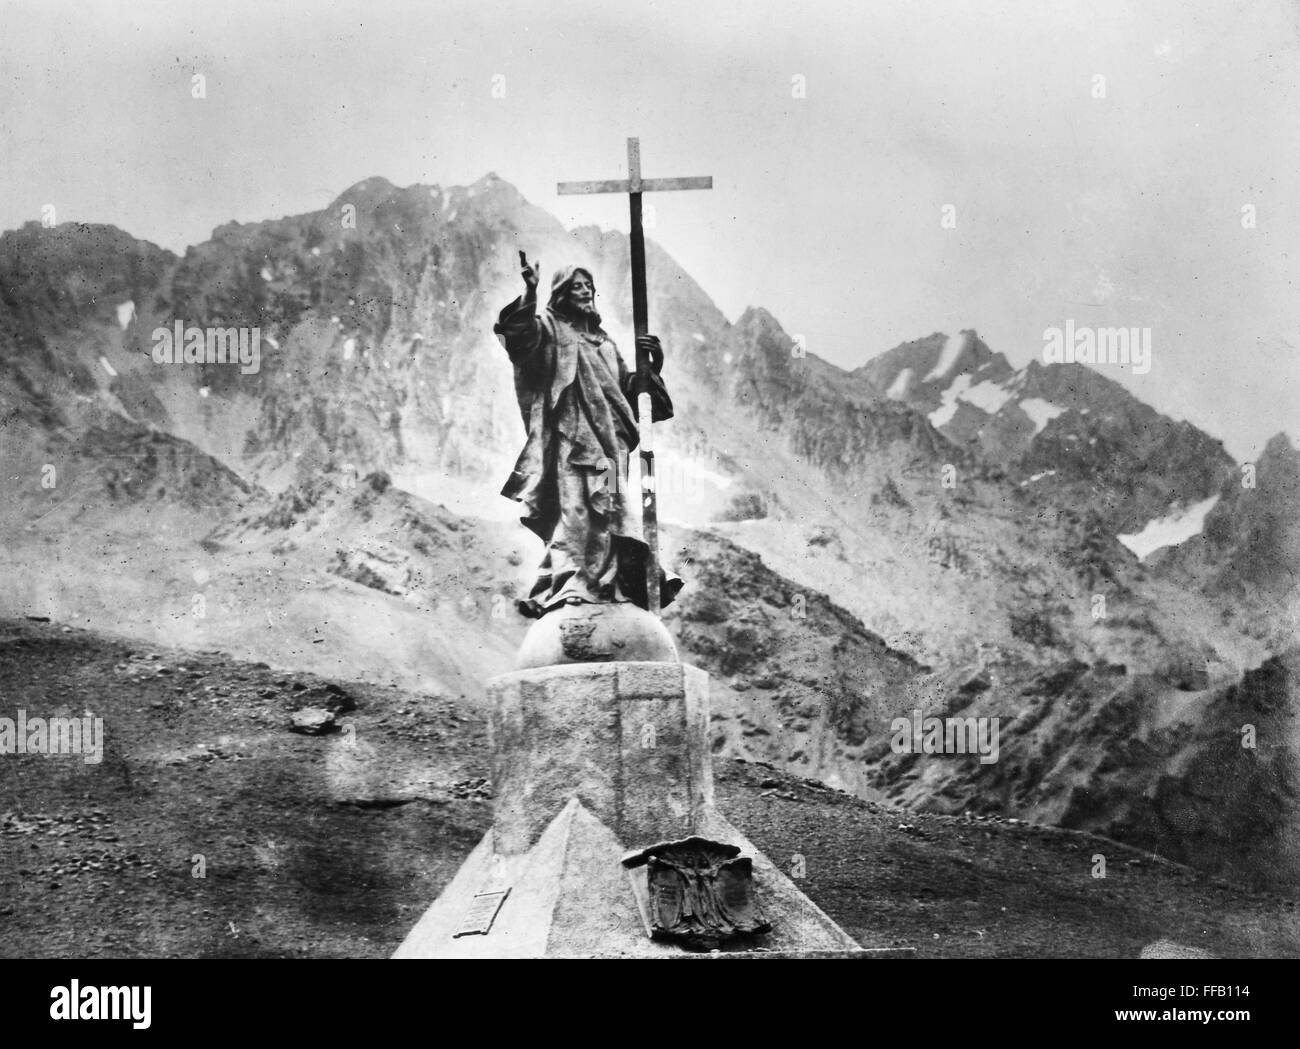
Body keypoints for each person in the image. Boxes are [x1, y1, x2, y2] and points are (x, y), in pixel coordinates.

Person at [493, 251, 682, 618]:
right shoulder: (551, 328)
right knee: (576, 510)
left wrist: (653, 365)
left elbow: (630, 395)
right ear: (561, 293)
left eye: (588, 285)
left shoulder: (606, 343)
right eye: (575, 285)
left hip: (611, 451)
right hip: (573, 442)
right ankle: (572, 582)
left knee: (610, 507)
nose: (583, 291)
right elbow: (519, 338)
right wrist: (530, 290)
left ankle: (612, 585)